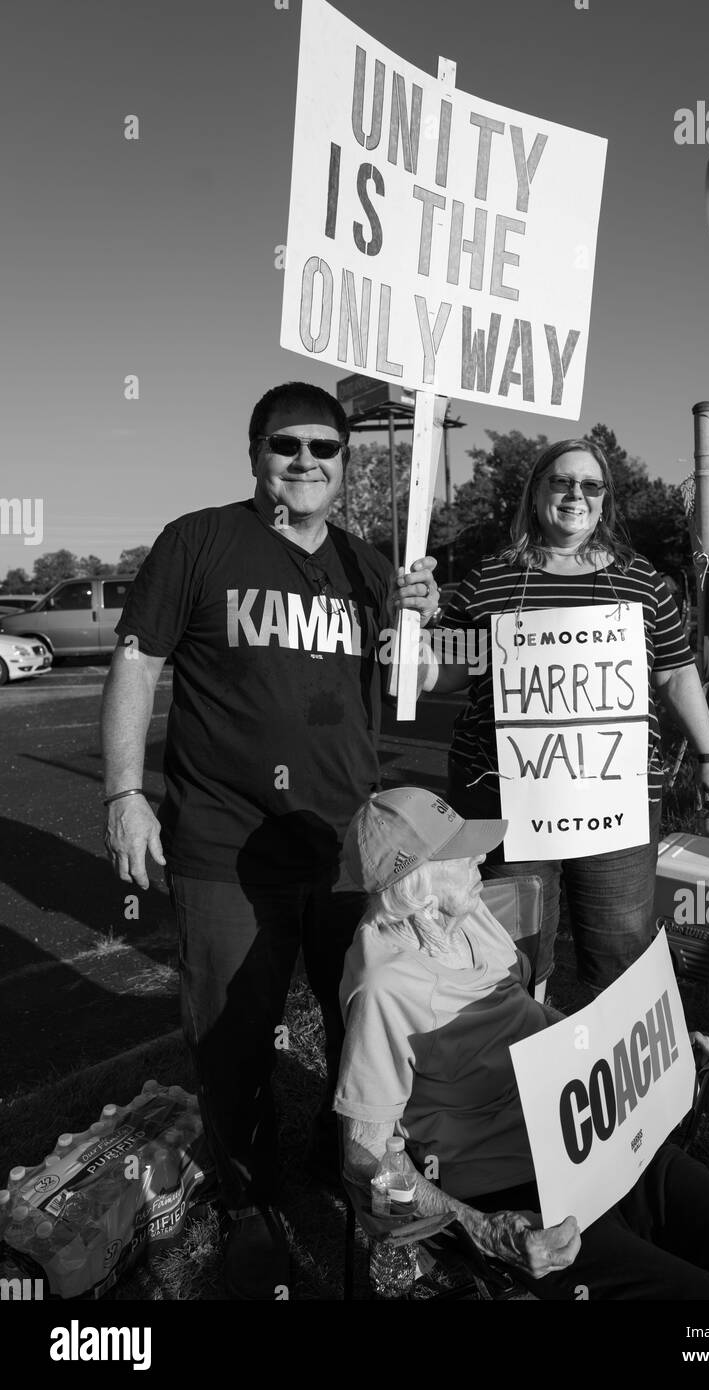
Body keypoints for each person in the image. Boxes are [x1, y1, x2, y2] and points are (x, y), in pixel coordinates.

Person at [100, 381, 439, 1299]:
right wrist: (126, 792)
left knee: (358, 1025)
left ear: (344, 463)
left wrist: (422, 615)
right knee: (232, 1035)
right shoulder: (199, 540)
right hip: (221, 843)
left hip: (343, 850)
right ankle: (247, 1196)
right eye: (283, 445)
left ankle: (352, 1163)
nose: (304, 461)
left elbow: (421, 677)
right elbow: (137, 659)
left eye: (323, 448)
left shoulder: (372, 566)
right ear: (254, 454)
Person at [335, 787, 709, 1300]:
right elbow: (363, 1157)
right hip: (513, 1189)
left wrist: (649, 1049)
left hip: (590, 1130)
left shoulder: (465, 911)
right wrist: (481, 1227)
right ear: (420, 887)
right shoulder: (384, 987)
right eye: (462, 850)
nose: (482, 855)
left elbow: (528, 1018)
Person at [431, 436, 709, 1003]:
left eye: (591, 485)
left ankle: (610, 1081)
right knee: (509, 955)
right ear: (536, 491)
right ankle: (517, 1071)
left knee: (619, 953)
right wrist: (414, 625)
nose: (576, 495)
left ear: (605, 499)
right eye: (561, 481)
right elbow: (443, 673)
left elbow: (675, 673)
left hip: (615, 805)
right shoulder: (489, 580)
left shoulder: (643, 582)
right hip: (505, 806)